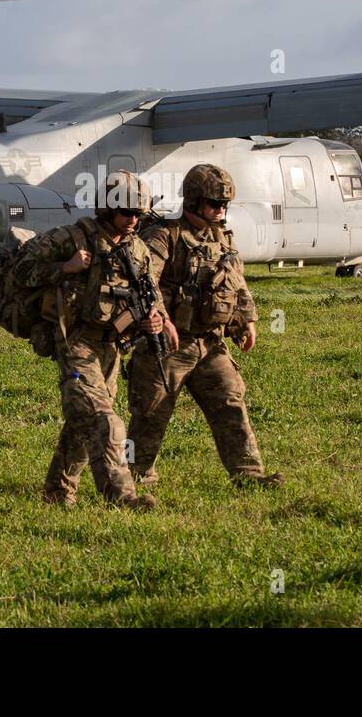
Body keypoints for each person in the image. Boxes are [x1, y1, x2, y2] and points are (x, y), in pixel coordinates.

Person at [13, 169, 164, 510]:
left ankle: (57, 491)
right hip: (76, 342)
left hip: (112, 348)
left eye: (139, 214)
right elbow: (21, 270)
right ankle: (122, 496)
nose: (134, 220)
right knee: (104, 420)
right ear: (107, 209)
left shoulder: (138, 250)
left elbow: (152, 294)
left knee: (82, 424)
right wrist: (64, 268)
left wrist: (155, 318)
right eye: (127, 212)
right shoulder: (73, 238)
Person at [127, 163, 282, 490]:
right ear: (194, 202)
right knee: (150, 415)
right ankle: (133, 481)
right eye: (214, 204)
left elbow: (236, 283)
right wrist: (162, 319)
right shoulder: (164, 236)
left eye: (224, 204)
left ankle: (249, 477)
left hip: (210, 344)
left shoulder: (223, 238)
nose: (221, 210)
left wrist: (245, 320)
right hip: (168, 347)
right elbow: (144, 282)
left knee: (231, 404)